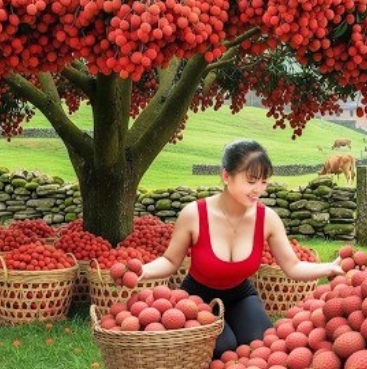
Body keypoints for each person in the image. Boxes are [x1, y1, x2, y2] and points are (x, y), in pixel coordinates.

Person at [140, 139, 343, 357]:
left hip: (240, 294)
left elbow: (292, 266)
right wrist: (142, 271)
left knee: (261, 345)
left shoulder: (268, 219)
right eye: (251, 180)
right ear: (226, 176)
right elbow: (170, 261)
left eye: (264, 181)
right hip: (196, 298)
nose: (258, 189)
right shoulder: (194, 214)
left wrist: (329, 268)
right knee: (222, 348)